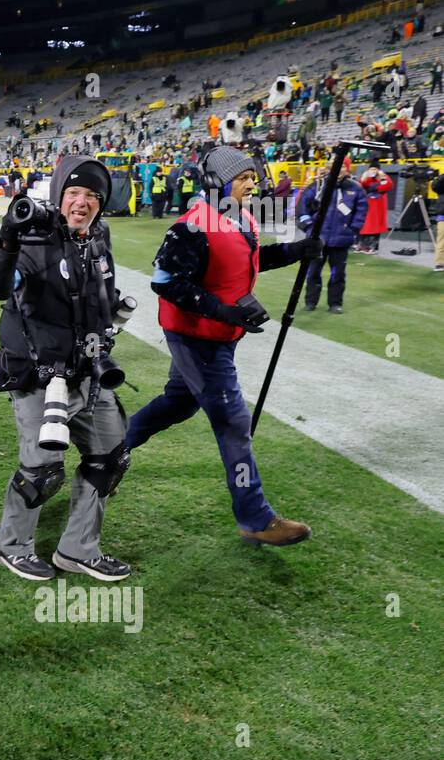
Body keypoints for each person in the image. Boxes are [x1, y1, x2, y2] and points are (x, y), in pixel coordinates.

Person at [123, 145, 322, 547]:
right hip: (197, 338)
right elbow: (164, 282)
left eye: (252, 176)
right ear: (217, 182)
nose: (252, 183)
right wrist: (223, 311)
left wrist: (292, 252)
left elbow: (245, 261)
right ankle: (255, 517)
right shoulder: (191, 226)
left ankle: (107, 455)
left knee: (178, 403)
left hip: (217, 335)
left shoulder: (241, 217)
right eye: (243, 177)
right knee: (233, 422)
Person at [0, 155, 133, 583]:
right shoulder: (31, 235)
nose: (82, 202)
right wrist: (8, 238)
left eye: (91, 196)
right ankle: (9, 546)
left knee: (109, 458)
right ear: (58, 196)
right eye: (73, 193)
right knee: (43, 470)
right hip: (38, 372)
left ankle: (77, 550)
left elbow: (103, 293)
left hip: (89, 368)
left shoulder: (100, 235)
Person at [299, 163, 366, 313]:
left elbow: (360, 212)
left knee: (338, 273)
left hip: (341, 240)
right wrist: (310, 228)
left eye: (342, 167)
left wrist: (351, 230)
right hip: (318, 239)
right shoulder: (316, 187)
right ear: (327, 170)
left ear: (347, 170)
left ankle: (335, 303)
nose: (338, 170)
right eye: (333, 168)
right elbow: (302, 209)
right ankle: (310, 302)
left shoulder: (355, 188)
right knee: (313, 272)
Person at [353, 166, 391, 254]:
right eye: (371, 169)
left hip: (378, 205)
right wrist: (365, 177)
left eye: (374, 169)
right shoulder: (367, 176)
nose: (373, 171)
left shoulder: (383, 176)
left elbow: (387, 185)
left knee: (374, 226)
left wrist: (381, 177)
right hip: (366, 203)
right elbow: (361, 185)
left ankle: (372, 247)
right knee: (363, 224)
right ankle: (361, 245)